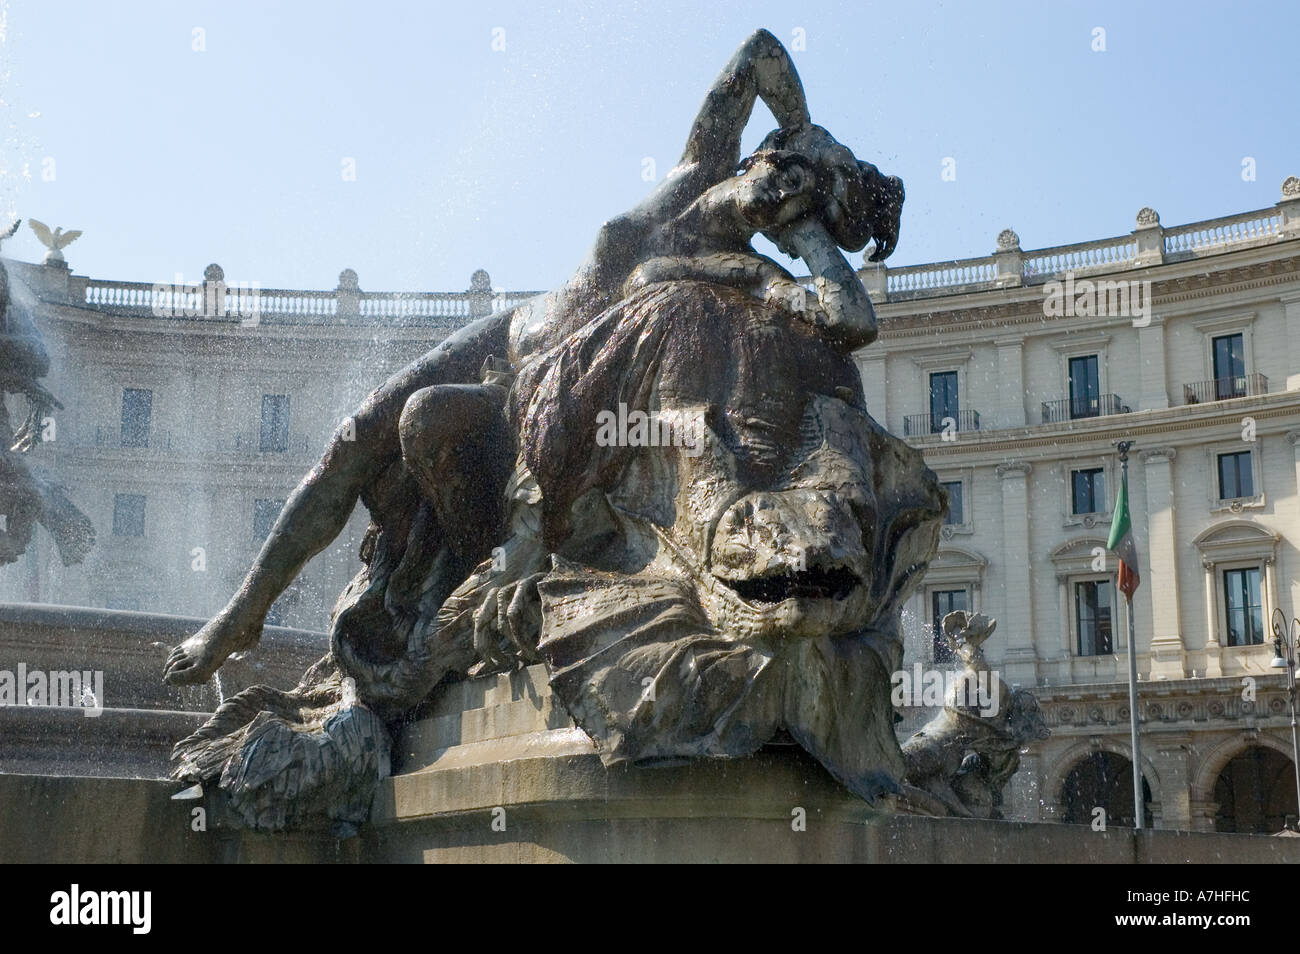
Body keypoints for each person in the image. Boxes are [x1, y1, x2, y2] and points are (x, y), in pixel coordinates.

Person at [164, 28, 903, 684]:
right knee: (357, 433)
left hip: (539, 398)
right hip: (517, 330)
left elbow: (849, 320)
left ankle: (459, 585)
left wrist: (806, 227)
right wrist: (805, 135)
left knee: (424, 422)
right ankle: (242, 616)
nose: (778, 190)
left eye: (799, 197)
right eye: (789, 171)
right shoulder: (702, 164)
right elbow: (761, 49)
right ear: (768, 157)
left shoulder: (743, 273)